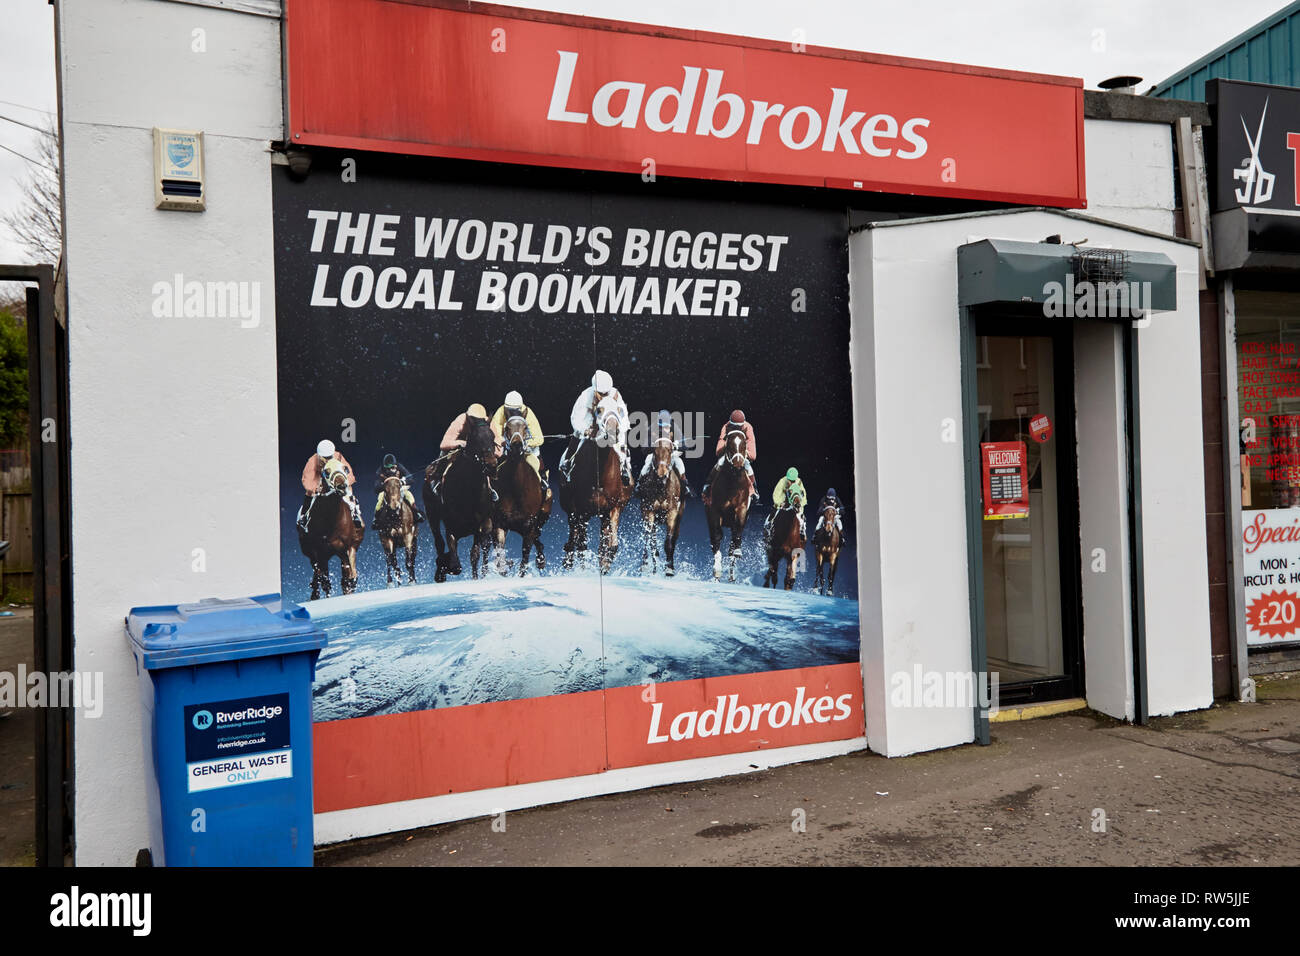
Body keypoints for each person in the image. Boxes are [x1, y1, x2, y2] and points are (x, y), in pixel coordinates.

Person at [561, 370, 632, 485]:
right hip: (589, 422)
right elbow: (577, 417)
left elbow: (623, 415)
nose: (604, 396)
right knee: (577, 436)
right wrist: (585, 430)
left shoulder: (615, 394)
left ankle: (624, 466)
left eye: (606, 393)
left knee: (621, 441)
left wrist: (620, 429)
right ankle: (567, 463)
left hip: (609, 424)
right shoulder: (586, 396)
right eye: (601, 393)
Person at [429, 403, 503, 501]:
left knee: (489, 463)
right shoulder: (461, 420)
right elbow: (443, 444)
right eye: (473, 419)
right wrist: (460, 443)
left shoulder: (487, 422)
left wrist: (496, 451)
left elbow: (498, 441)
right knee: (443, 456)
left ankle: (490, 488)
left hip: (479, 451)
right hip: (458, 449)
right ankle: (438, 481)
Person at [297, 439, 362, 531]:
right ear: (320, 456)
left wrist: (346, 482)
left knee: (349, 492)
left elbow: (349, 472)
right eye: (325, 457)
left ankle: (354, 513)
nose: (328, 459)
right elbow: (307, 478)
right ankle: (304, 517)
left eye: (329, 456)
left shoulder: (338, 456)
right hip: (319, 482)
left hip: (336, 482)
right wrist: (314, 488)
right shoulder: (313, 461)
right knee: (309, 495)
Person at [490, 390, 549, 492]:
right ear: (505, 408)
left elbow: (539, 438)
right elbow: (495, 434)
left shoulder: (528, 412)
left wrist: (527, 443)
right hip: (507, 444)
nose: (513, 412)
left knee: (535, 455)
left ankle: (542, 478)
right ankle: (492, 486)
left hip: (525, 444)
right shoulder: (500, 412)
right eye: (509, 410)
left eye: (516, 410)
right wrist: (502, 441)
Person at [703, 409, 757, 504]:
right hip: (729, 454)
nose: (736, 428)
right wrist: (727, 446)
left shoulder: (748, 427)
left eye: (739, 426)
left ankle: (754, 491)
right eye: (734, 426)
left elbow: (752, 453)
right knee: (720, 462)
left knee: (748, 466)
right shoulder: (726, 427)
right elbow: (718, 450)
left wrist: (744, 453)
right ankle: (708, 485)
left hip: (742, 453)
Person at [639, 409, 694, 497]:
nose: (665, 430)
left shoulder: (674, 427)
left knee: (680, 464)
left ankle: (685, 486)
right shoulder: (652, 428)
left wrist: (676, 446)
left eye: (667, 427)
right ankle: (639, 485)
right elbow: (644, 448)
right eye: (662, 427)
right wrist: (654, 447)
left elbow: (686, 445)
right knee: (646, 464)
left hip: (670, 453)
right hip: (656, 454)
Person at [374, 453, 424, 525]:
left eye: (392, 468)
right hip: (387, 491)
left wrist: (403, 482)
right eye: (387, 469)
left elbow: (411, 478)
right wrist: (385, 486)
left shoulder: (399, 466)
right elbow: (376, 487)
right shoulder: (380, 471)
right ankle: (376, 518)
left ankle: (417, 514)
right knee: (379, 501)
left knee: (410, 497)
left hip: (400, 488)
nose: (390, 470)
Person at [766, 467, 808, 539]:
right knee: (772, 517)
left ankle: (802, 530)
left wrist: (801, 504)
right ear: (787, 478)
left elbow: (803, 496)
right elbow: (776, 495)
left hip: (795, 505)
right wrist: (779, 503)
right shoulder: (782, 481)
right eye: (790, 480)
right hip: (782, 505)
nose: (791, 482)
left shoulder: (799, 482)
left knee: (801, 518)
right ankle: (768, 529)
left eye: (793, 481)